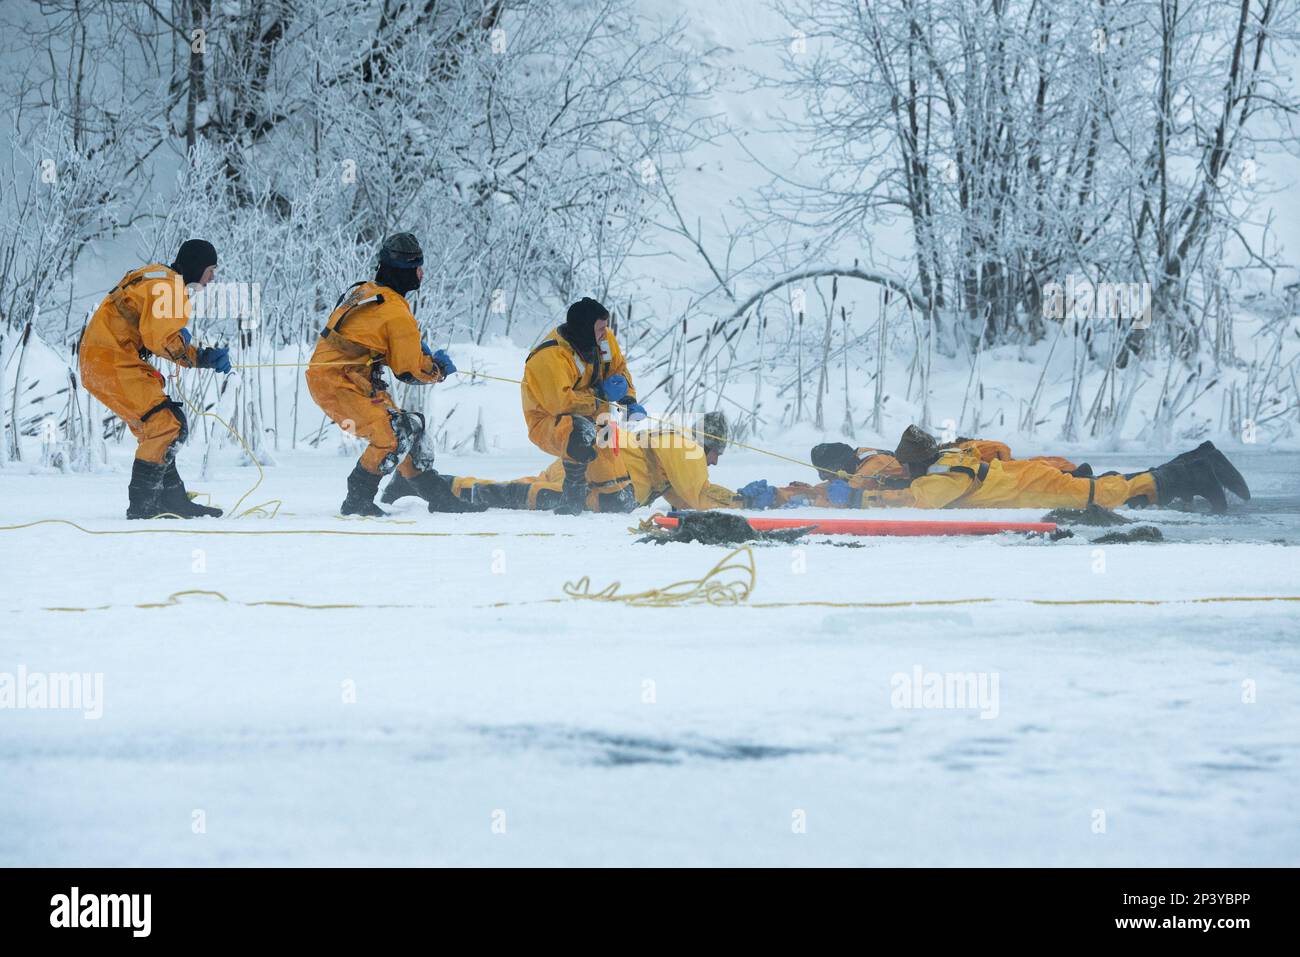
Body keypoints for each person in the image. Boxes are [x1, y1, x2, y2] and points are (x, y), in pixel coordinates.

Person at [306, 232, 484, 516]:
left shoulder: (365, 291)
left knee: (411, 428)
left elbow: (371, 338)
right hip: (335, 384)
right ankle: (357, 499)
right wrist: (437, 369)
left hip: (352, 379)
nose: (422, 274)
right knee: (391, 435)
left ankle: (437, 495)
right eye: (419, 268)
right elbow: (408, 370)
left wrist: (409, 347)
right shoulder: (395, 312)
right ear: (406, 271)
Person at [738, 425, 1250, 513]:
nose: (901, 468)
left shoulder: (937, 475)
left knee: (1112, 494)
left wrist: (858, 497)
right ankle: (1192, 467)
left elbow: (924, 499)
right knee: (1111, 484)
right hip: (1020, 479)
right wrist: (802, 491)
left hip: (1028, 486)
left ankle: (1193, 475)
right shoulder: (942, 457)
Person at [78, 239, 232, 519]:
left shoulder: (160, 277)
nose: (211, 279)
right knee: (166, 424)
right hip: (111, 360)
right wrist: (202, 357)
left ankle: (172, 500)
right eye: (210, 270)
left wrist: (202, 356)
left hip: (104, 359)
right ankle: (143, 506)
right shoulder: (171, 288)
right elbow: (161, 339)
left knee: (161, 427)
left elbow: (158, 335)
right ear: (197, 267)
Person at [434, 411, 740, 512]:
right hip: (604, 475)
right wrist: (747, 500)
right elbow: (699, 496)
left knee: (527, 491)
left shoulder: (674, 443)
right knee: (539, 497)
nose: (713, 462)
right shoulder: (687, 447)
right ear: (708, 443)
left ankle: (447, 487)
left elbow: (684, 499)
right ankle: (448, 488)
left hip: (590, 464)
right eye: (717, 454)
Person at [518, 297, 646, 514]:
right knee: (578, 430)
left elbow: (618, 368)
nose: (605, 333)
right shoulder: (550, 356)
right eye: (600, 328)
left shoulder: (603, 339)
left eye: (606, 327)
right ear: (585, 330)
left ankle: (607, 497)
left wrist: (627, 398)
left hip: (597, 419)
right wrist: (601, 394)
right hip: (551, 422)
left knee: (614, 498)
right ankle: (570, 496)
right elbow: (562, 404)